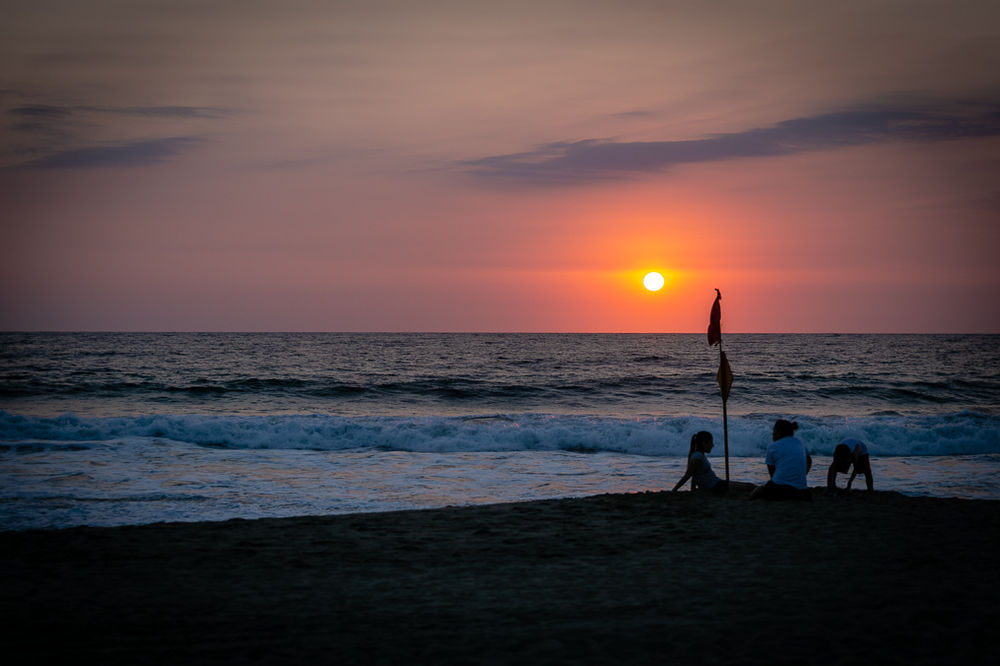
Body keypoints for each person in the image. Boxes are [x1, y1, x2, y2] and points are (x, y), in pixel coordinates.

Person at [671, 431, 756, 494]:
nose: (712, 445)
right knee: (749, 487)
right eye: (711, 442)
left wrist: (693, 490)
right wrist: (674, 491)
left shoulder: (699, 455)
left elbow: (694, 476)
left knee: (749, 486)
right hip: (715, 487)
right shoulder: (697, 458)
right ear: (704, 443)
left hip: (717, 484)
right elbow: (687, 476)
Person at [750, 419, 813, 501]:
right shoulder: (799, 442)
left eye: (774, 431)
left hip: (780, 490)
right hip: (802, 491)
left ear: (780, 432)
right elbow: (809, 460)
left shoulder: (772, 446)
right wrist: (802, 475)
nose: (772, 434)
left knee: (758, 490)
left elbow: (772, 473)